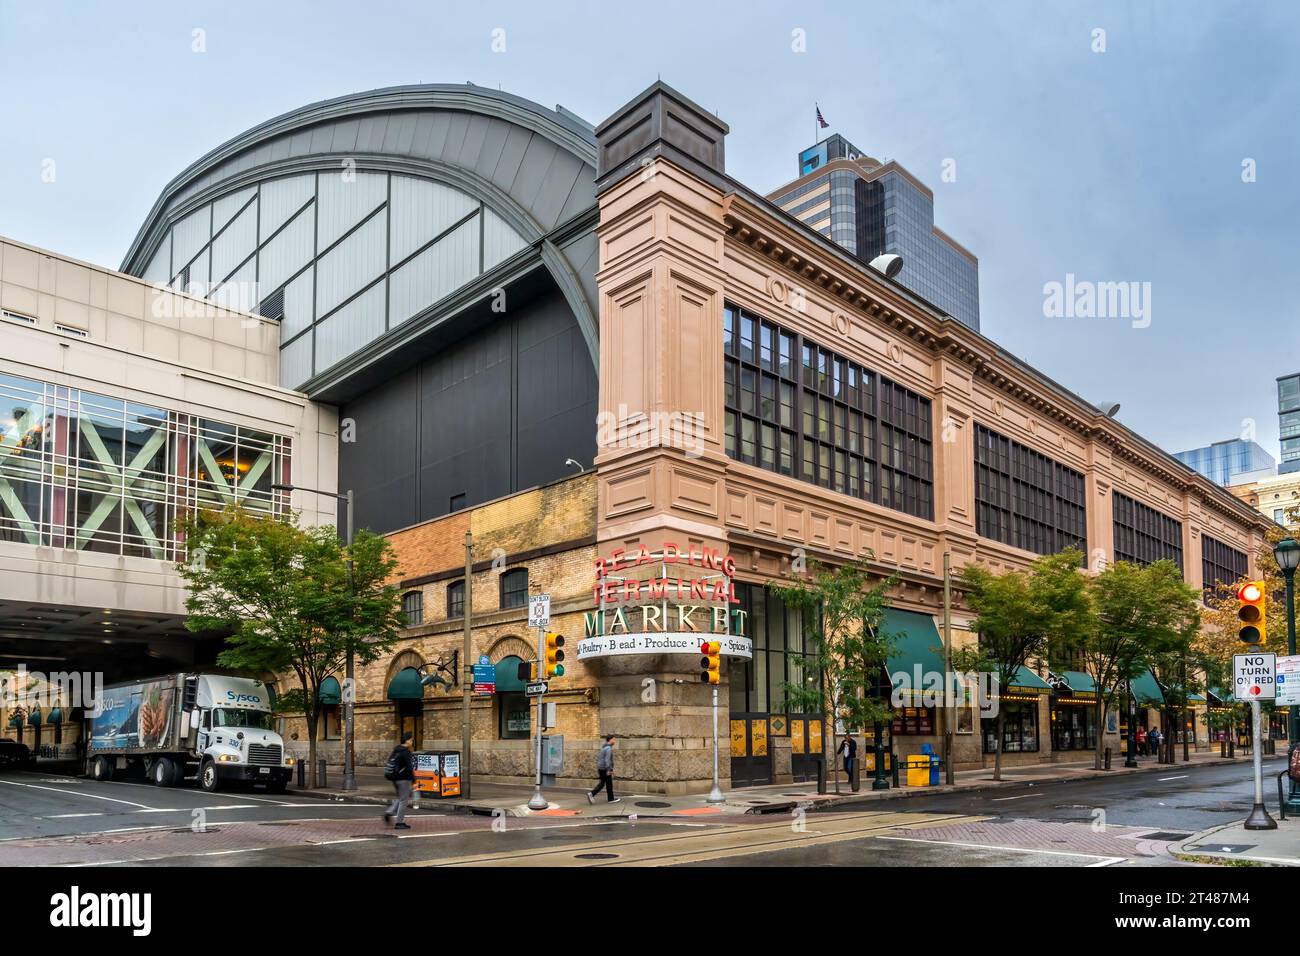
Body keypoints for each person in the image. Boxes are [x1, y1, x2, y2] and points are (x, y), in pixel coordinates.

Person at [382, 731, 416, 830]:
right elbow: (409, 768)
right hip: (404, 779)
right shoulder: (406, 752)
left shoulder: (396, 750)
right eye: (411, 740)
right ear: (407, 740)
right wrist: (414, 782)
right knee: (403, 800)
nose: (412, 741)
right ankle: (399, 823)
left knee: (401, 797)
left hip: (394, 778)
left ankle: (389, 812)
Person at [586, 734, 620, 804]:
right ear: (610, 740)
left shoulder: (604, 747)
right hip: (605, 769)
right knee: (609, 784)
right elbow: (607, 760)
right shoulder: (608, 749)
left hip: (601, 768)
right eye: (614, 739)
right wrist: (609, 770)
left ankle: (592, 794)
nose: (615, 741)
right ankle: (610, 799)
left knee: (603, 783)